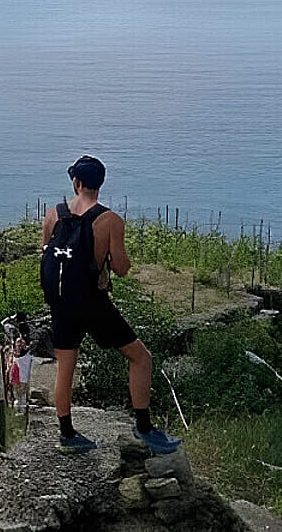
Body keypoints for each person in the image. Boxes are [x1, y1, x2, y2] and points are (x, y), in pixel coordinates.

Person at [41, 155, 181, 455]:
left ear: (76, 183)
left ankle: (67, 434)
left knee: (66, 367)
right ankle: (144, 427)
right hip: (92, 302)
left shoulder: (52, 214)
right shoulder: (110, 220)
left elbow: (44, 253)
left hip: (62, 302)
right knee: (140, 357)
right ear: (99, 184)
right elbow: (121, 268)